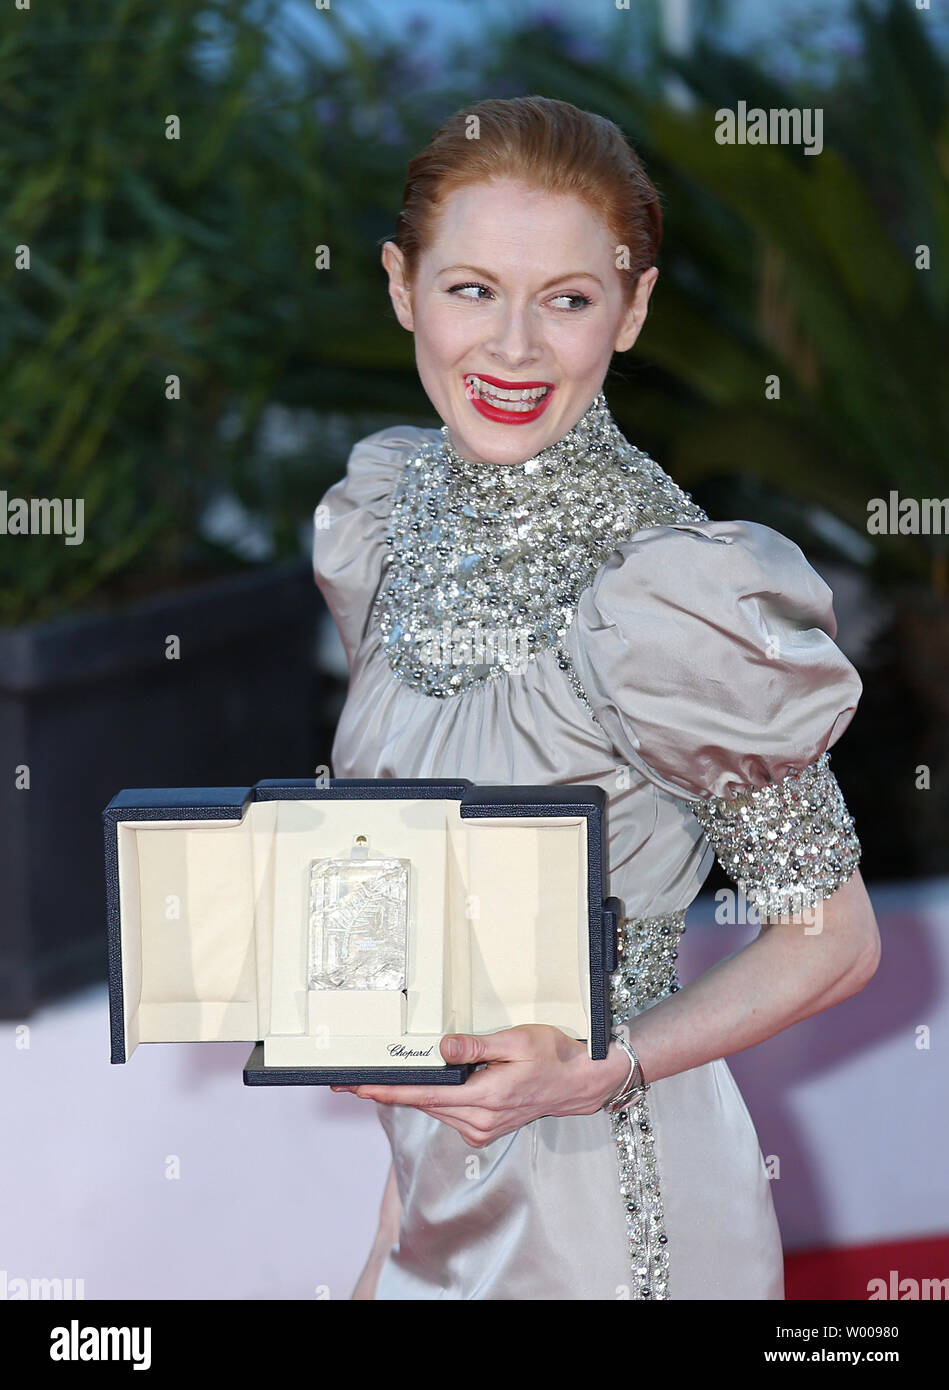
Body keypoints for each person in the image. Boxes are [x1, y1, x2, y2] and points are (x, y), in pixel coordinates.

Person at [311, 95, 880, 1301]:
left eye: (567, 300)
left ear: (629, 311)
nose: (512, 348)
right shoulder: (381, 524)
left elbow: (834, 940)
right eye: (471, 289)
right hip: (432, 1189)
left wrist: (602, 1067)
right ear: (401, 286)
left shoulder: (674, 595)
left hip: (614, 1204)